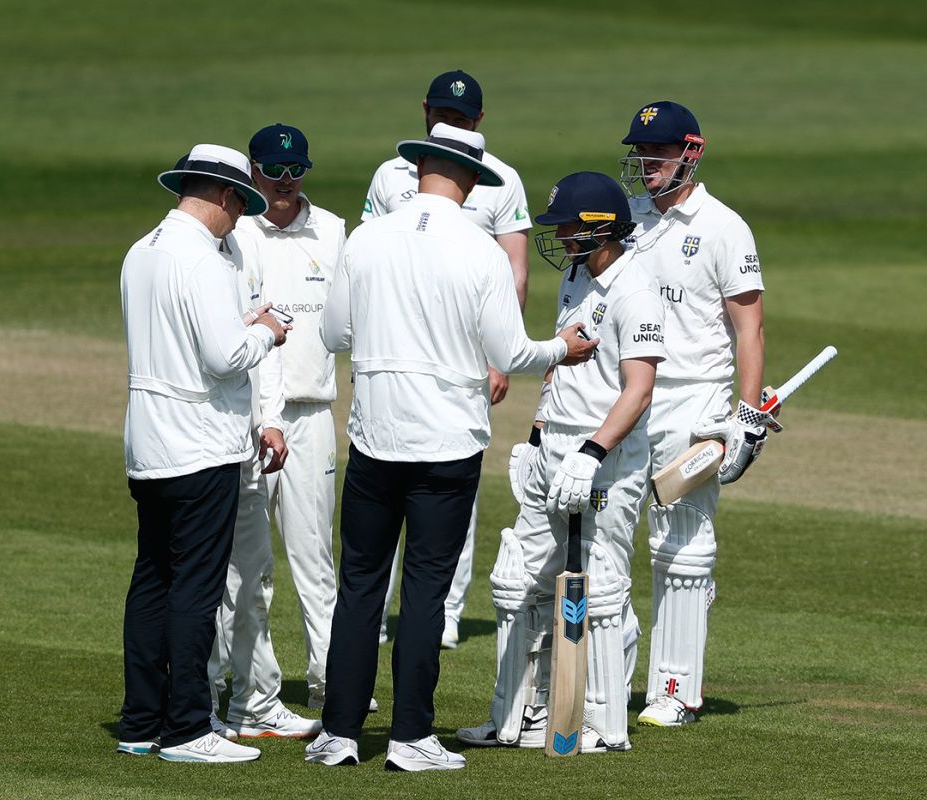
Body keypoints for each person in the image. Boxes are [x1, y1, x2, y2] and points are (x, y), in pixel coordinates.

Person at [306, 124, 597, 771]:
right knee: (425, 590)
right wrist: (564, 349)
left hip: (375, 438)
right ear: (470, 180)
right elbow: (511, 353)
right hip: (446, 444)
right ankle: (410, 737)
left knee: (360, 585)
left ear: (420, 168)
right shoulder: (480, 249)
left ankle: (339, 735)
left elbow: (333, 333)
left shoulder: (367, 238)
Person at [457, 172, 664, 753]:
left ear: (602, 228)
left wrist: (592, 452)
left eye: (569, 227)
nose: (561, 238)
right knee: (519, 580)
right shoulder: (576, 273)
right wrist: (536, 436)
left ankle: (602, 723)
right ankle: (517, 716)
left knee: (601, 589)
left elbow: (639, 390)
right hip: (554, 450)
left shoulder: (636, 291)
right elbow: (559, 368)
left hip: (608, 459)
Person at [117, 144, 288, 763]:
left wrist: (242, 324)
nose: (240, 218)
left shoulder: (141, 250)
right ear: (223, 195)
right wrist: (266, 331)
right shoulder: (203, 260)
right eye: (241, 205)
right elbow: (224, 357)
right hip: (199, 445)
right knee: (196, 587)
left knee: (152, 580)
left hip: (148, 442)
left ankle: (141, 722)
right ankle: (188, 728)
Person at [362, 69, 533, 649]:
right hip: (397, 351)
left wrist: (499, 358)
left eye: (461, 119)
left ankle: (448, 611)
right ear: (425, 111)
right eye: (441, 115)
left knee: (456, 475)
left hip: (463, 353)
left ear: (479, 121)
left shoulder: (499, 179)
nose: (449, 124)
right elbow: (367, 261)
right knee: (384, 477)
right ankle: (376, 610)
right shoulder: (391, 174)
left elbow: (514, 271)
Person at [618, 101, 768, 727]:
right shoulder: (625, 217)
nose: (646, 161)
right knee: (606, 535)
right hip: (628, 396)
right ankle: (606, 684)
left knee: (681, 546)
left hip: (694, 397)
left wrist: (746, 417)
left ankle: (674, 691)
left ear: (691, 152)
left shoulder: (724, 227)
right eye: (640, 150)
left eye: (658, 150)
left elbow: (749, 328)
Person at [206, 123, 339, 740]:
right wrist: (266, 417)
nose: (285, 183)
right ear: (253, 171)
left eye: (296, 171)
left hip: (313, 412)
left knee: (315, 559)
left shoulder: (333, 230)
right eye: (273, 171)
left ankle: (331, 682)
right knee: (241, 569)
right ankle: (228, 688)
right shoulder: (235, 234)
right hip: (249, 417)